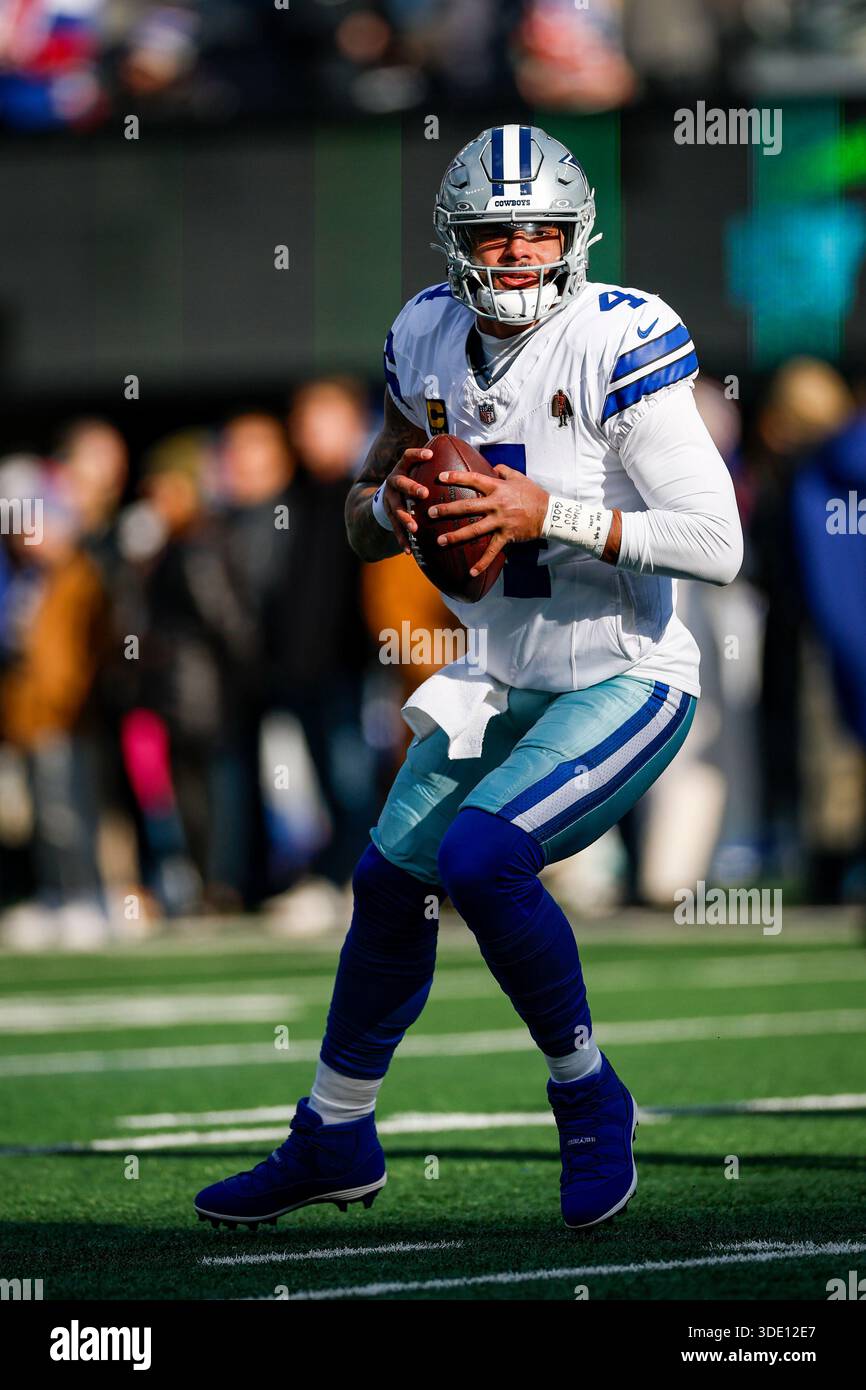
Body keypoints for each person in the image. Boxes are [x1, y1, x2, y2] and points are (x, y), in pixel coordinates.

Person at [194, 124, 743, 1233]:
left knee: (481, 858)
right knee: (388, 887)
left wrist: (557, 514)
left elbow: (714, 540)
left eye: (540, 231)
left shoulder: (619, 337)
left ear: (575, 237)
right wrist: (383, 509)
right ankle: (335, 1131)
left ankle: (589, 1099)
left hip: (622, 674)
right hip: (496, 674)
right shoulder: (423, 336)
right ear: (457, 242)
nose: (517, 254)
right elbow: (359, 509)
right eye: (495, 233)